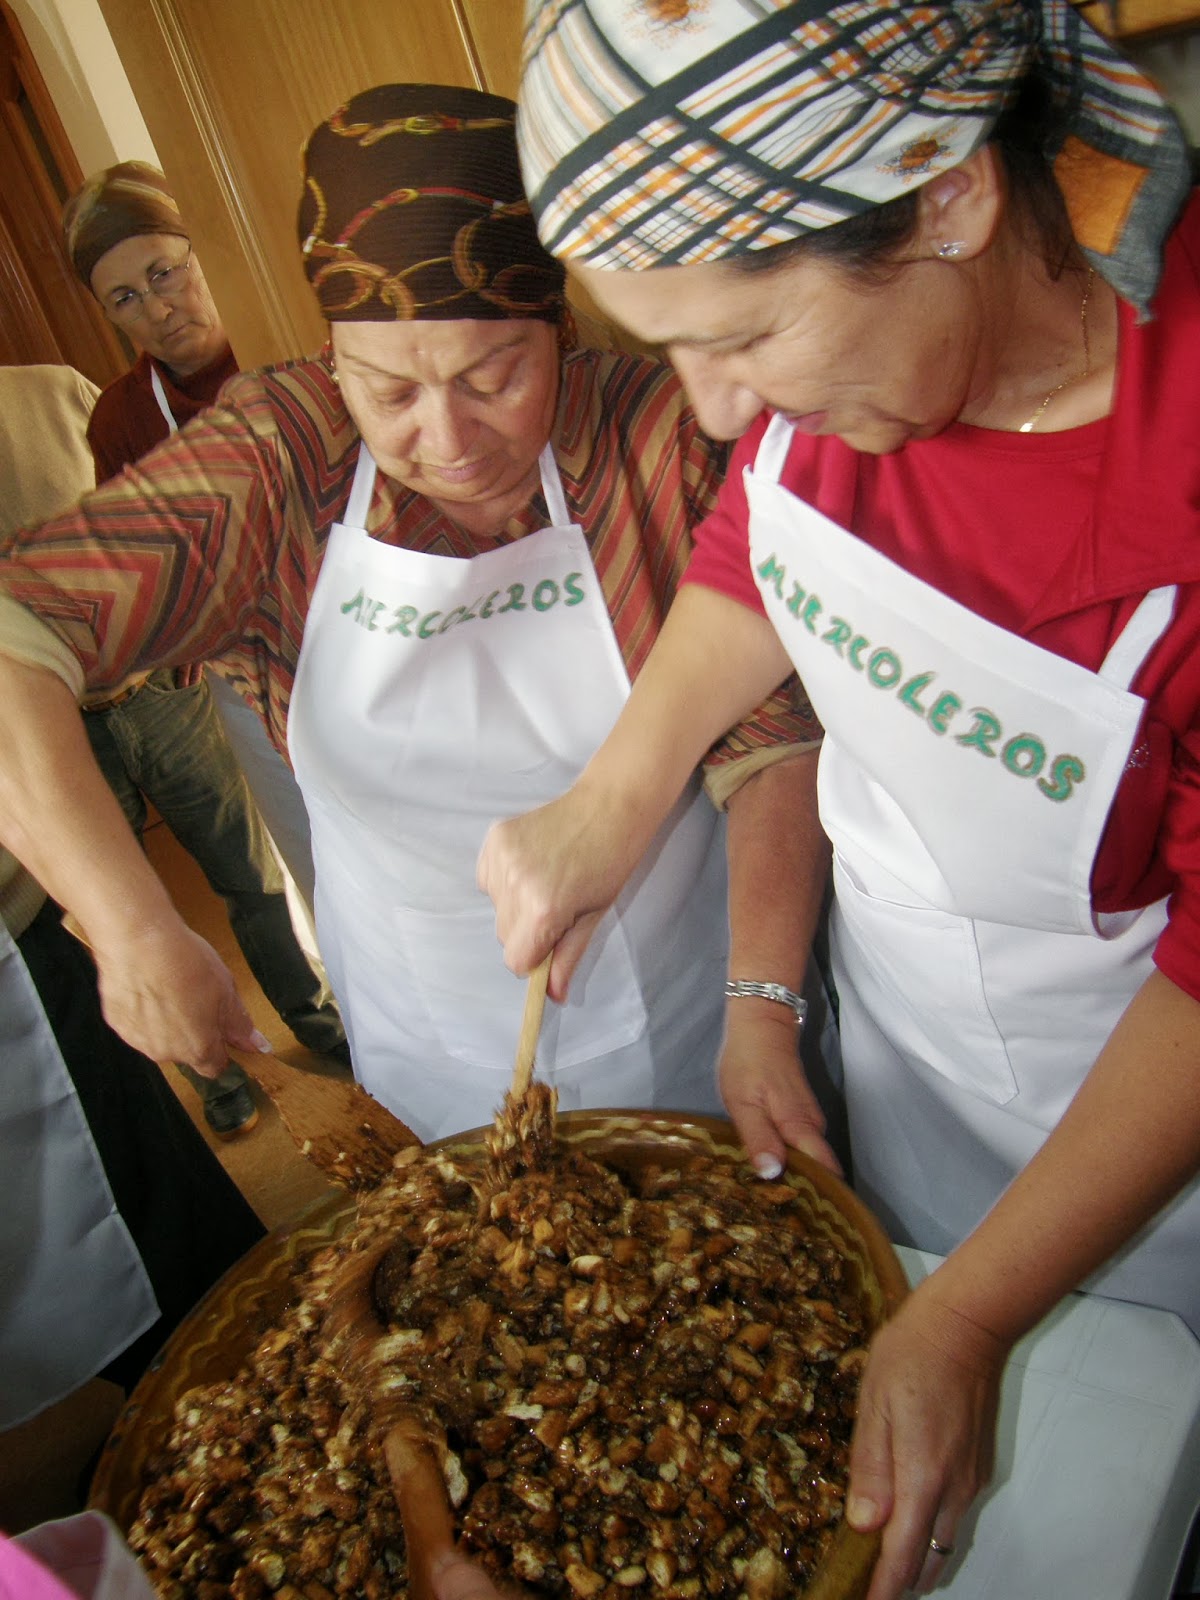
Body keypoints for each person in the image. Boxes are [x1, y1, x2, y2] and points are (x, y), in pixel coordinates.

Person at [475, 5, 1200, 1598]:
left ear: (948, 199)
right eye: (667, 349)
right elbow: (763, 546)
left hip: (1148, 1149)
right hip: (910, 1056)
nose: (719, 407)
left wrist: (972, 1314)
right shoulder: (846, 391)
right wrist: (620, 787)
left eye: (742, 340)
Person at [0, 83, 823, 1154]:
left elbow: (773, 746)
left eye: (496, 376)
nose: (449, 439)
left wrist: (762, 1004)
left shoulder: (652, 436)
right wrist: (127, 922)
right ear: (332, 356)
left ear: (559, 330)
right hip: (423, 1046)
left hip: (688, 1026)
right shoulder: (282, 450)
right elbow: (18, 632)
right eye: (387, 390)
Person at [0, 365, 264, 1435]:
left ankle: (230, 1393)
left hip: (25, 938)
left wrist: (126, 925)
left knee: (171, 1239)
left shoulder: (44, 396)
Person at [61, 160, 349, 1134]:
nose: (159, 306)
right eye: (126, 297)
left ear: (205, 255)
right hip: (246, 683)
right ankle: (385, 1034)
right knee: (319, 869)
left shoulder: (302, 345)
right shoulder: (122, 417)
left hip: (370, 648)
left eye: (169, 271)